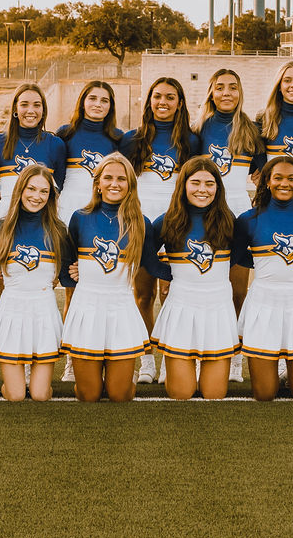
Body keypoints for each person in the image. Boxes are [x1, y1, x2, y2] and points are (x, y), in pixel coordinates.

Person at [120, 77, 199, 382]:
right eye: (157, 97)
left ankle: (169, 358)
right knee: (142, 294)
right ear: (148, 101)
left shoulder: (192, 142)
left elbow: (196, 186)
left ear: (180, 103)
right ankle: (147, 360)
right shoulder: (131, 140)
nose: (162, 103)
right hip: (141, 225)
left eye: (170, 97)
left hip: (175, 225)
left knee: (173, 295)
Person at [60, 154, 155, 402]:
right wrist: (77, 270)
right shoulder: (80, 218)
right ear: (97, 183)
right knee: (88, 395)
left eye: (122, 179)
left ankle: (123, 376)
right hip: (87, 308)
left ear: (130, 185)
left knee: (120, 395)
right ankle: (88, 373)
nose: (115, 183)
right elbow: (67, 262)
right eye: (108, 177)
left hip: (121, 309)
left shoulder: (141, 223)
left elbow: (154, 264)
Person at [149, 157, 240, 400]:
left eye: (210, 184)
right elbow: (145, 256)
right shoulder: (168, 220)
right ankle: (179, 369)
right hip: (182, 305)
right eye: (196, 182)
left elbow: (241, 255)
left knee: (214, 394)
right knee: (181, 393)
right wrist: (171, 275)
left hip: (218, 306)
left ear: (218, 188)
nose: (202, 190)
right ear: (183, 185)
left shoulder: (228, 220)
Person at [233, 156, 293, 401]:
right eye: (278, 178)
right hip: (263, 301)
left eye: (292, 178)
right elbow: (236, 258)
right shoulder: (248, 220)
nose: (285, 183)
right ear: (267, 183)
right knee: (264, 394)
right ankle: (280, 372)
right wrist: (265, 263)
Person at [0, 164, 71, 402]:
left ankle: (32, 372)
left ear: (51, 196)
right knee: (15, 396)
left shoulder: (58, 230)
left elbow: (66, 272)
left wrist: (77, 270)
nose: (37, 196)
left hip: (43, 310)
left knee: (40, 395)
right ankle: (13, 372)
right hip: (12, 310)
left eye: (44, 192)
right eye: (31, 189)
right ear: (21, 190)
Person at [0, 83, 66, 216]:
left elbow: (62, 189)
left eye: (36, 105)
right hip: (6, 219)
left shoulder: (55, 144)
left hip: (40, 221)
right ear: (15, 109)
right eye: (24, 105)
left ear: (43, 110)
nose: (30, 110)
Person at [196, 68, 263, 217]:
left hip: (240, 207)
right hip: (205, 207)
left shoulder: (253, 130)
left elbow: (263, 170)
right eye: (219, 88)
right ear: (211, 95)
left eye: (233, 88)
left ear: (240, 94)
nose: (226, 93)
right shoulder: (198, 130)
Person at [55, 80, 124, 217]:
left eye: (104, 101)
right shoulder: (65, 133)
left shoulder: (118, 137)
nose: (98, 104)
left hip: (102, 206)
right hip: (68, 204)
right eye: (92, 98)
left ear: (110, 106)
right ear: (82, 102)